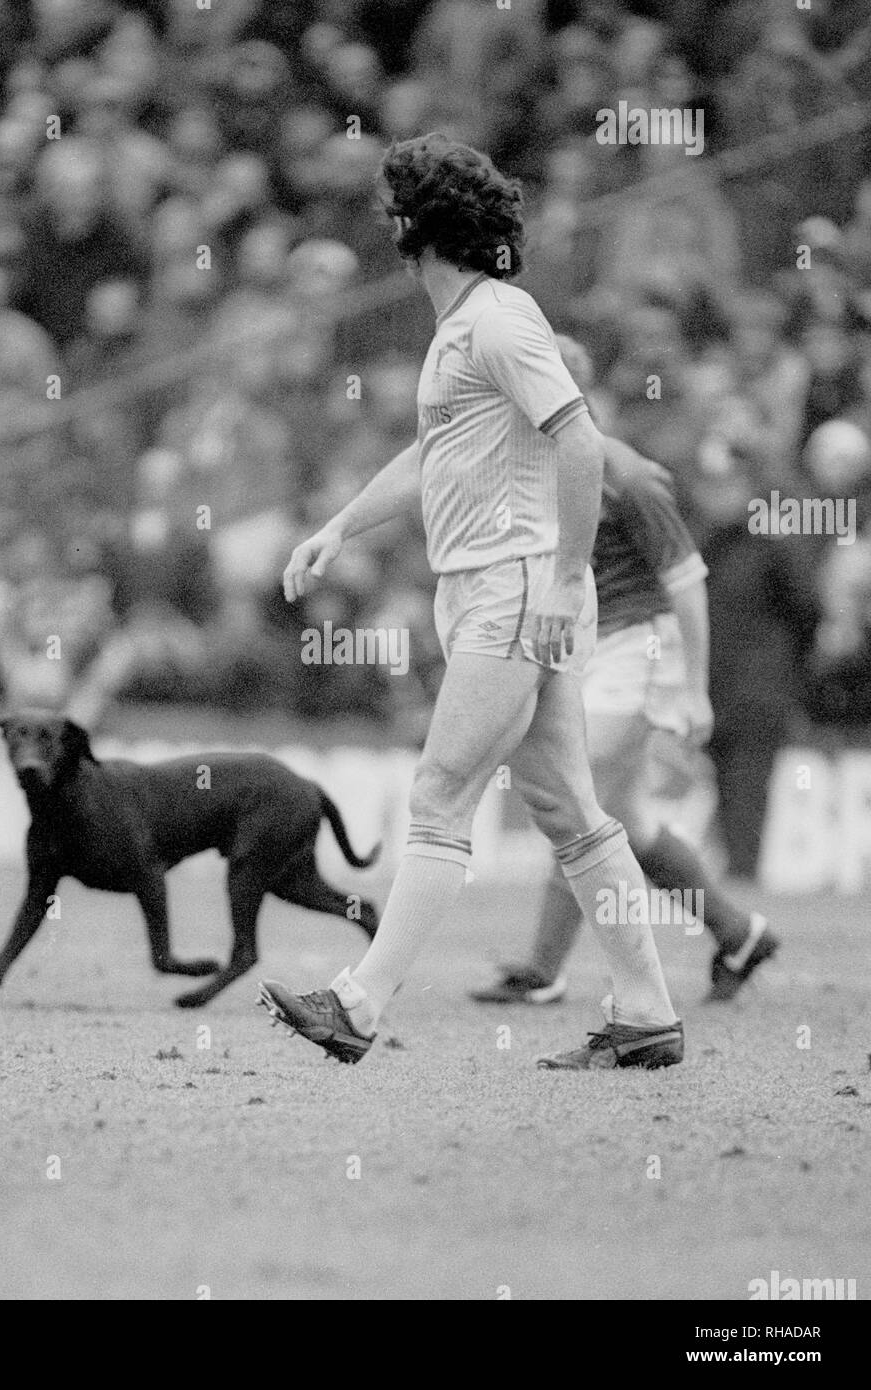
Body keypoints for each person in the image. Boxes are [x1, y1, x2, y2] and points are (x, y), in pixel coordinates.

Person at [257, 133, 683, 1071]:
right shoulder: (466, 328)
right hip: (500, 587)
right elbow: (432, 459)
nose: (387, 222)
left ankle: (359, 1004)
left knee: (442, 792)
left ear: (417, 226)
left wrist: (566, 581)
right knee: (573, 814)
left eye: (393, 208)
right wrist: (339, 528)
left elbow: (577, 440)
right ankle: (648, 1011)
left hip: (513, 588)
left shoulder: (497, 319)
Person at [472, 337, 779, 1009]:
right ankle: (738, 933)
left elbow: (687, 579)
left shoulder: (625, 474)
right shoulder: (533, 467)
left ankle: (544, 970)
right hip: (592, 651)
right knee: (628, 823)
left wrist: (694, 689)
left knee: (571, 795)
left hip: (639, 652)